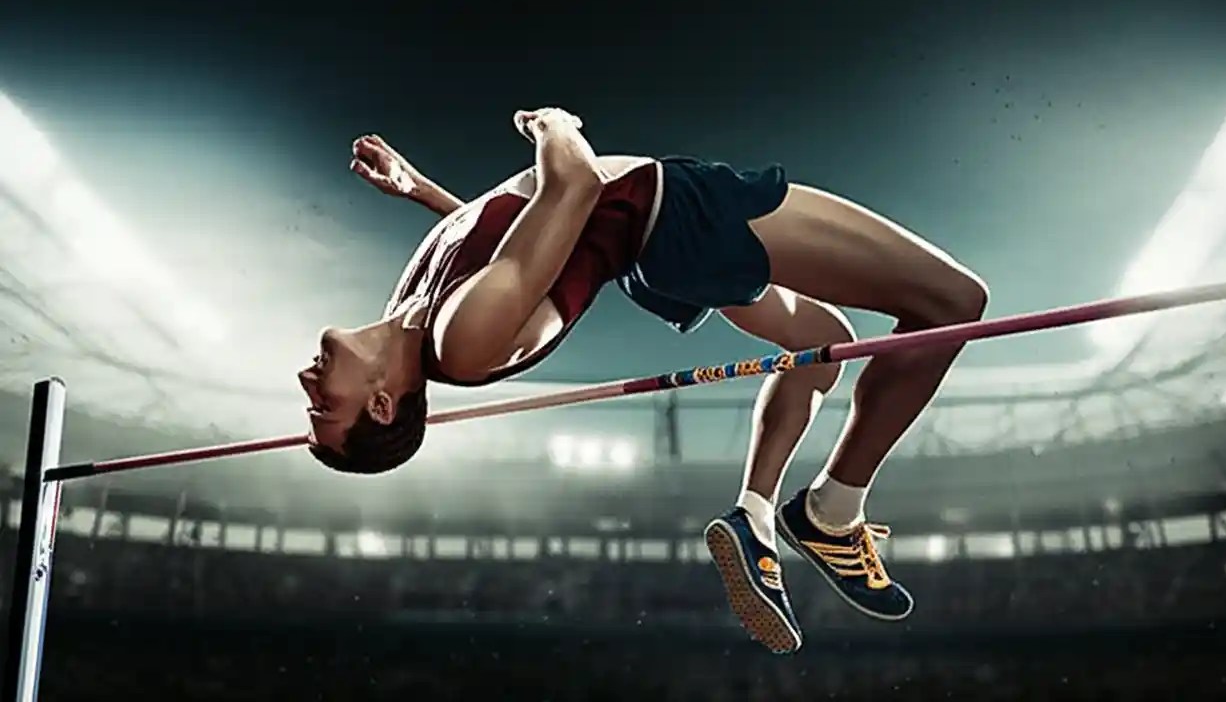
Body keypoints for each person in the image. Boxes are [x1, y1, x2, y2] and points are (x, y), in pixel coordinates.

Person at [297, 107, 988, 654]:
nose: (307, 381)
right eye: (323, 407)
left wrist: (417, 188)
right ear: (384, 404)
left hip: (664, 248)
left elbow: (504, 248)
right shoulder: (461, 343)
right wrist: (557, 127)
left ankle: (757, 514)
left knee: (822, 343)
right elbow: (574, 184)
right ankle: (834, 514)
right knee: (952, 302)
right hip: (683, 218)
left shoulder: (412, 318)